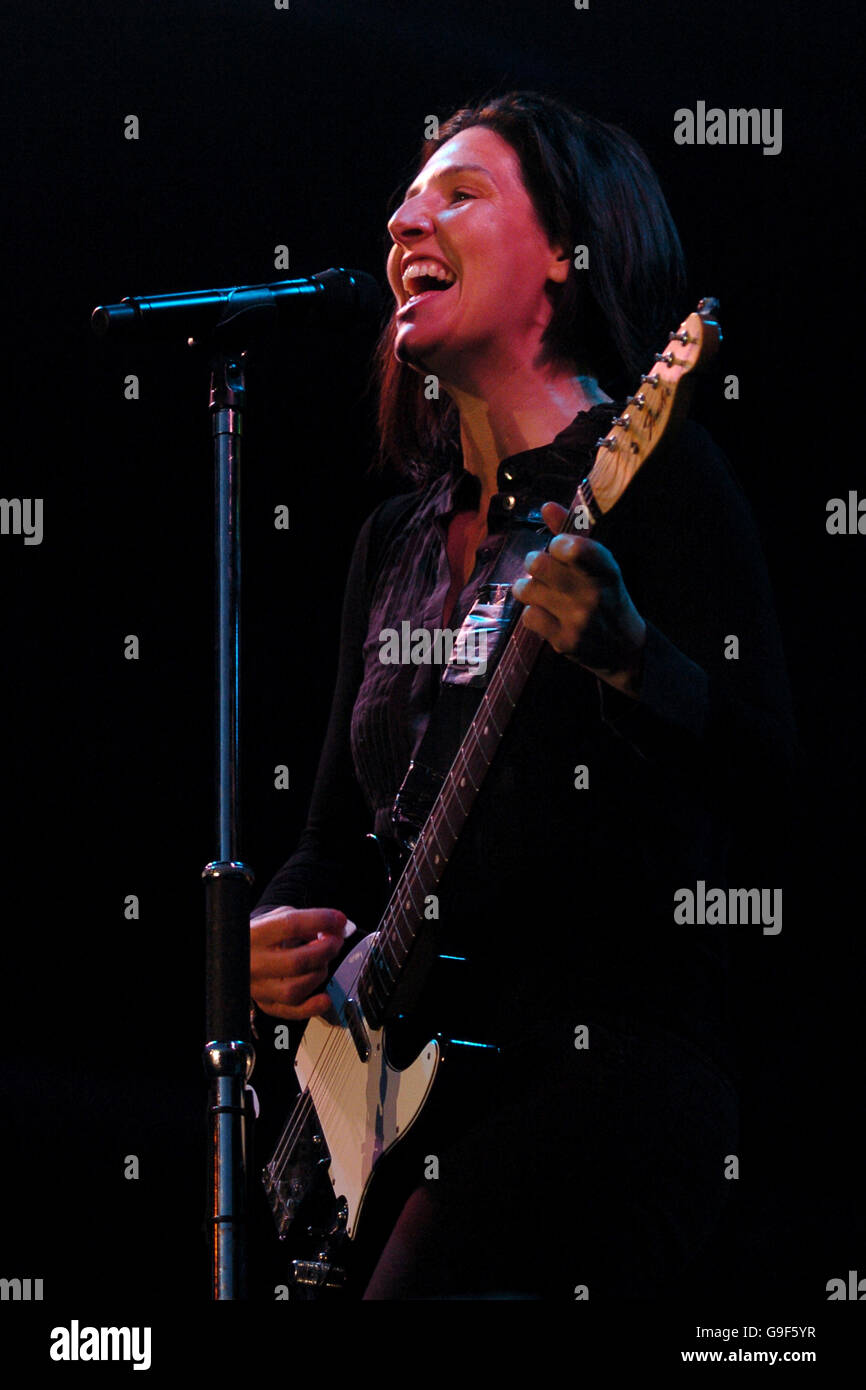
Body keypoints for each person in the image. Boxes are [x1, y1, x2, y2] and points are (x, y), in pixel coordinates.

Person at [249, 91, 795, 1300]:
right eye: (406, 198)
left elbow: (783, 790)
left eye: (458, 192)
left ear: (565, 251)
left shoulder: (655, 473)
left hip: (604, 1077)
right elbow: (335, 841)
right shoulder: (388, 541)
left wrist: (635, 661)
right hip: (411, 1095)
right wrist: (286, 935)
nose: (403, 217)